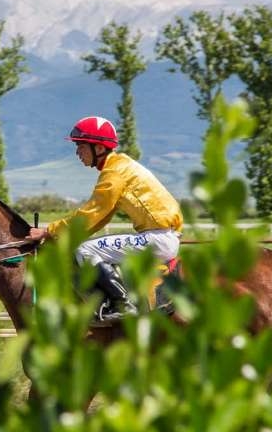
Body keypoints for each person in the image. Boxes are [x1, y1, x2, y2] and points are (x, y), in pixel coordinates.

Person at [27, 115, 183, 322]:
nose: (77, 152)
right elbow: (101, 218)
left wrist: (50, 231)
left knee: (84, 250)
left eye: (81, 146)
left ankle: (123, 305)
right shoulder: (119, 167)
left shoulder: (115, 172)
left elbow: (93, 212)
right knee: (86, 248)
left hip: (158, 238)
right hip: (162, 236)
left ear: (99, 148)